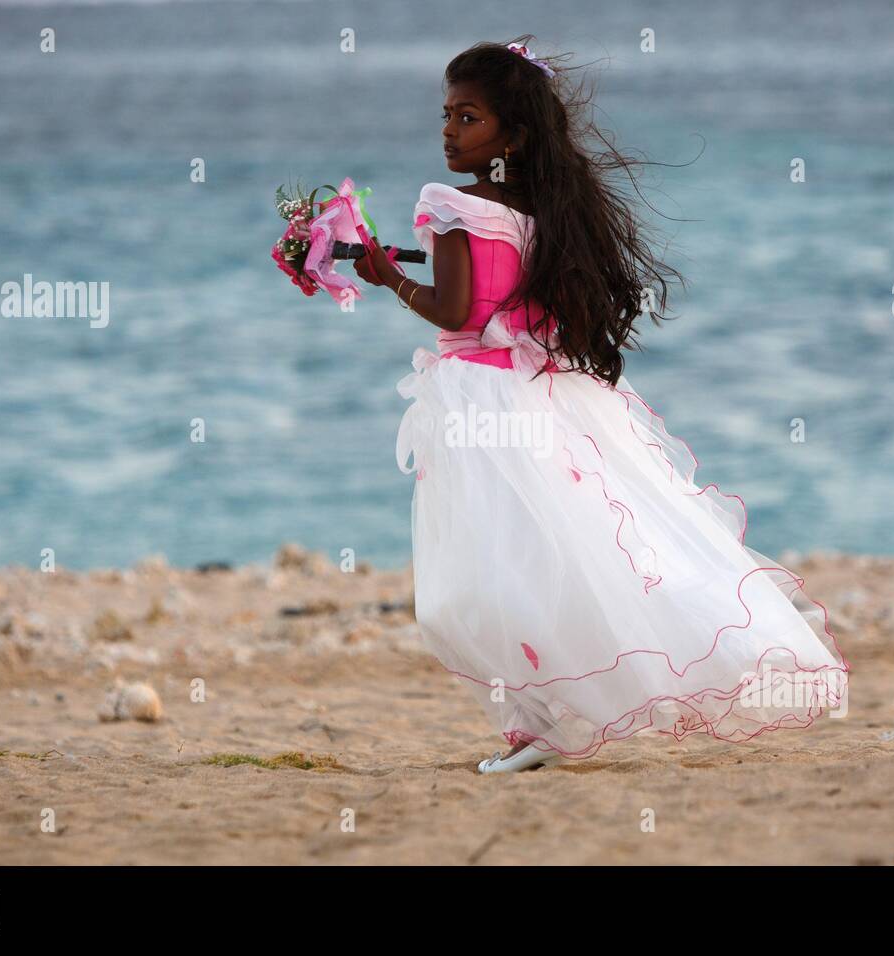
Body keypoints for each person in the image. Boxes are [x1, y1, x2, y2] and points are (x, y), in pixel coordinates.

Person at [354, 36, 849, 774]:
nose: (449, 131)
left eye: (468, 117)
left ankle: (543, 722)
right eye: (447, 116)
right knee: (551, 556)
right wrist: (400, 266)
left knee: (470, 584)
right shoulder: (545, 209)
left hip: (481, 399)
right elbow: (505, 297)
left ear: (512, 134)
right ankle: (547, 719)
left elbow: (457, 313)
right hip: (545, 393)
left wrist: (383, 277)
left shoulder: (447, 203)